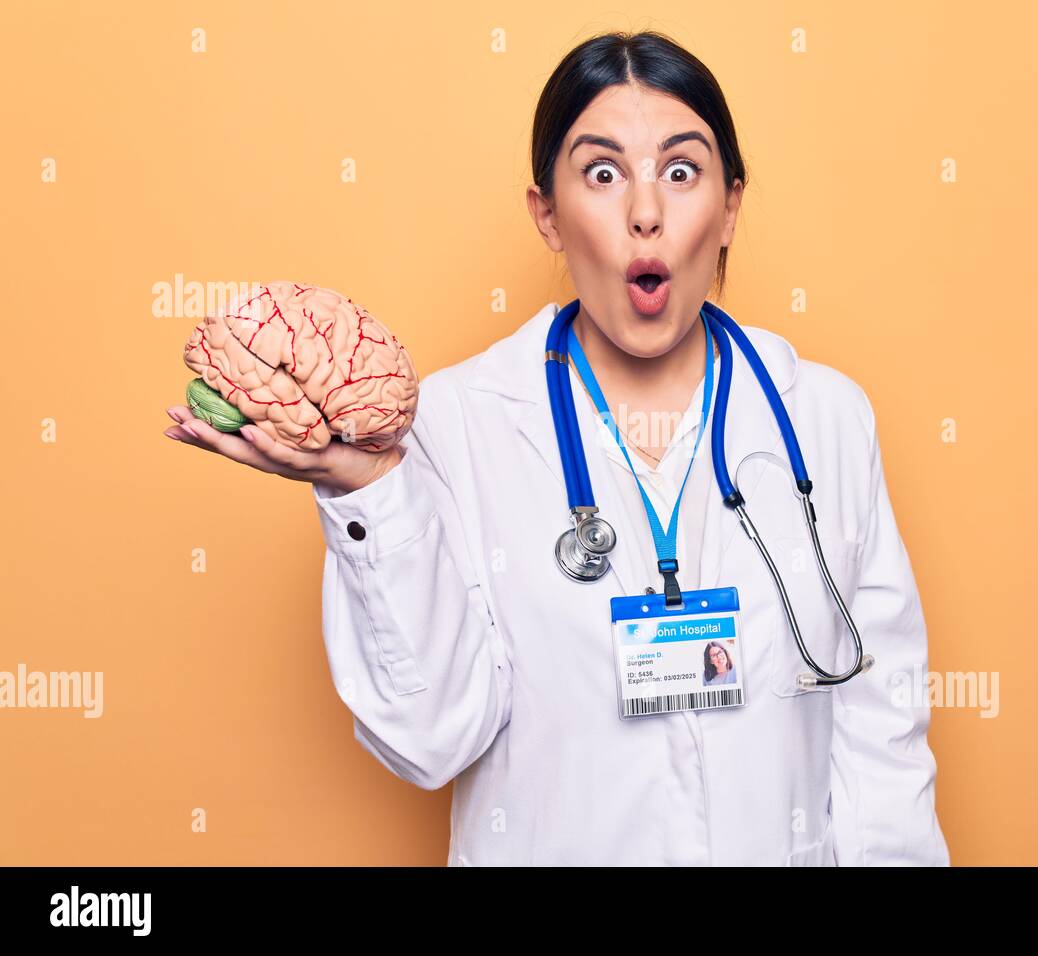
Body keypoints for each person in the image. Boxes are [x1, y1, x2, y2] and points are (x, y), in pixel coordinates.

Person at [162, 30, 950, 867]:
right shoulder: (457, 423)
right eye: (602, 173)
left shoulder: (822, 417)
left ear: (729, 208)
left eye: (681, 172)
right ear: (546, 215)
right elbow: (431, 741)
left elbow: (882, 740)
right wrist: (371, 496)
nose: (645, 211)